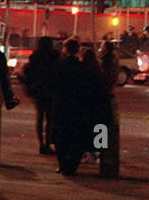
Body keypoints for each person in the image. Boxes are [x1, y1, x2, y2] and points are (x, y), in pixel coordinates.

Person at [50, 38, 99, 176]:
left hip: (62, 105)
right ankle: (72, 166)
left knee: (60, 138)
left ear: (65, 50)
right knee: (76, 138)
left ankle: (63, 165)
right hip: (78, 107)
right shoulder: (83, 68)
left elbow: (52, 85)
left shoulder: (60, 66)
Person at [23, 36, 58, 155]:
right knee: (50, 119)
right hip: (51, 90)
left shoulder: (35, 57)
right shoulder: (54, 56)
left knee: (40, 117)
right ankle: (48, 143)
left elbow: (28, 71)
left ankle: (41, 143)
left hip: (38, 90)